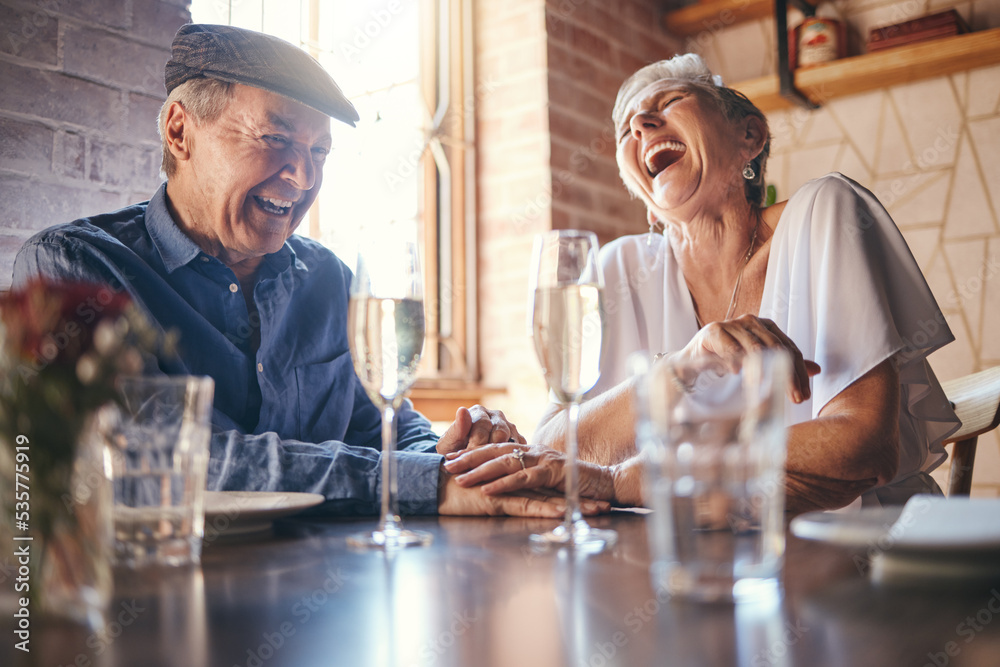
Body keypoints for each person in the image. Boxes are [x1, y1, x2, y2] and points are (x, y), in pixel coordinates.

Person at [12, 24, 597, 518]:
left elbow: (381, 430)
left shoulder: (329, 280)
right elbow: (158, 457)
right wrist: (423, 484)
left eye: (319, 153)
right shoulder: (73, 268)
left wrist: (467, 456)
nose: (302, 175)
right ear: (179, 130)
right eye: (276, 138)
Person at [442, 53, 960, 515]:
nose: (641, 124)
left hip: (857, 560)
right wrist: (680, 368)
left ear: (748, 138)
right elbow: (557, 445)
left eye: (670, 102)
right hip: (688, 564)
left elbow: (863, 448)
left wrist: (627, 480)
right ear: (642, 195)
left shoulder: (826, 212)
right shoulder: (620, 266)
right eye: (627, 130)